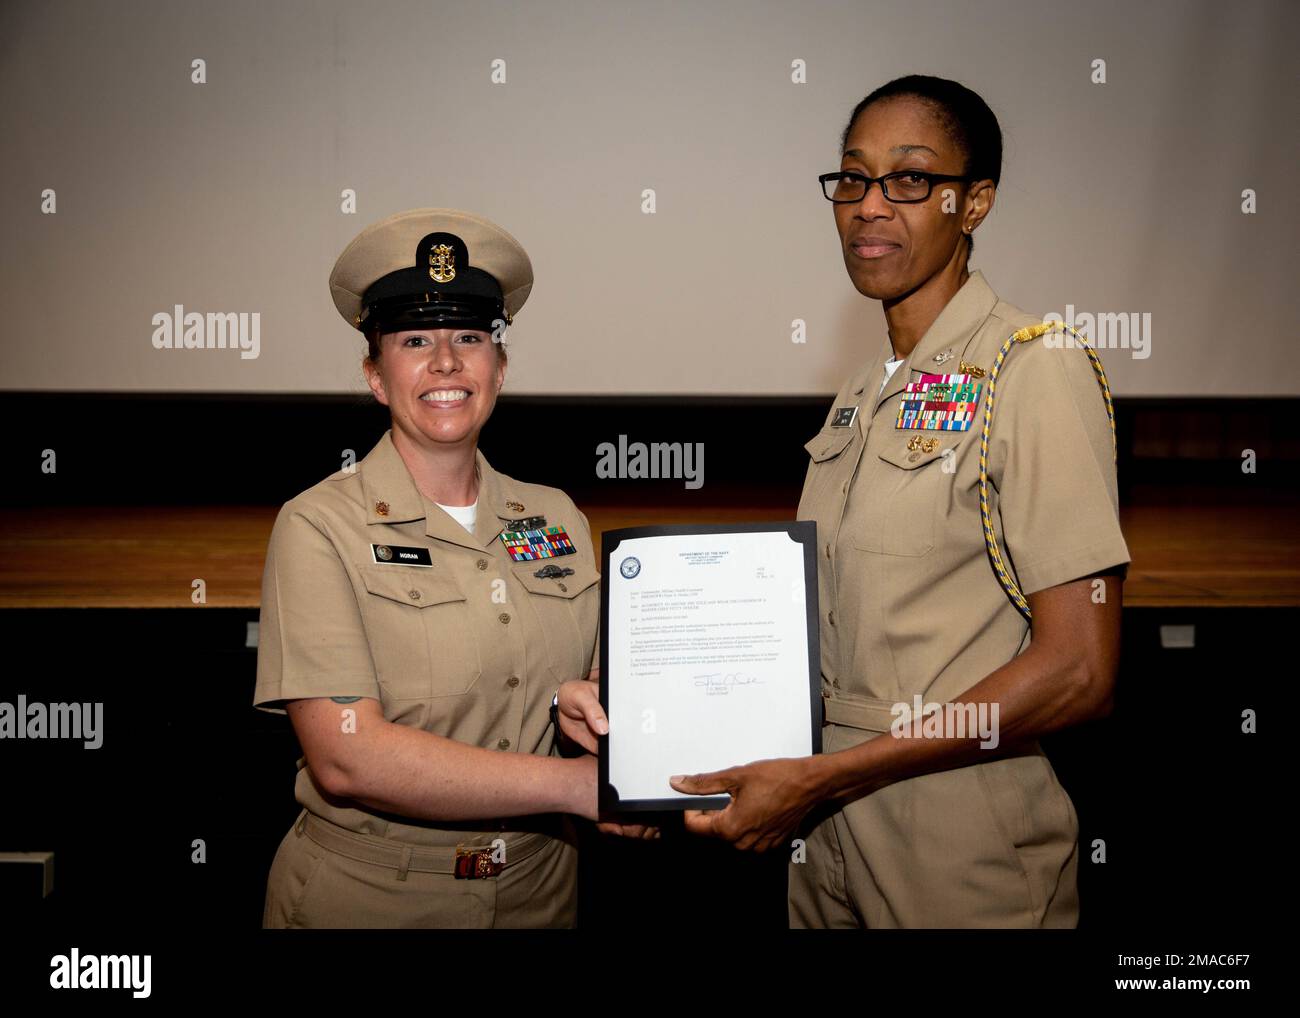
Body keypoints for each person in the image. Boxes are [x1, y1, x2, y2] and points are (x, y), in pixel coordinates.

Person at [667, 75, 1131, 927]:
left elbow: (1080, 671)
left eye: (909, 180)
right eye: (852, 178)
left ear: (974, 201)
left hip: (957, 838)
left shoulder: (1035, 366)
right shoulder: (862, 388)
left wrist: (829, 776)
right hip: (829, 835)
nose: (869, 206)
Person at [254, 207, 646, 930]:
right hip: (374, 902)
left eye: (470, 337)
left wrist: (580, 701)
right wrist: (577, 786)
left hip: (542, 891)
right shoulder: (317, 526)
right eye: (414, 341)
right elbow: (349, 759)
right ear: (376, 376)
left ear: (500, 365)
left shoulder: (554, 515)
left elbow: (590, 681)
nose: (445, 363)